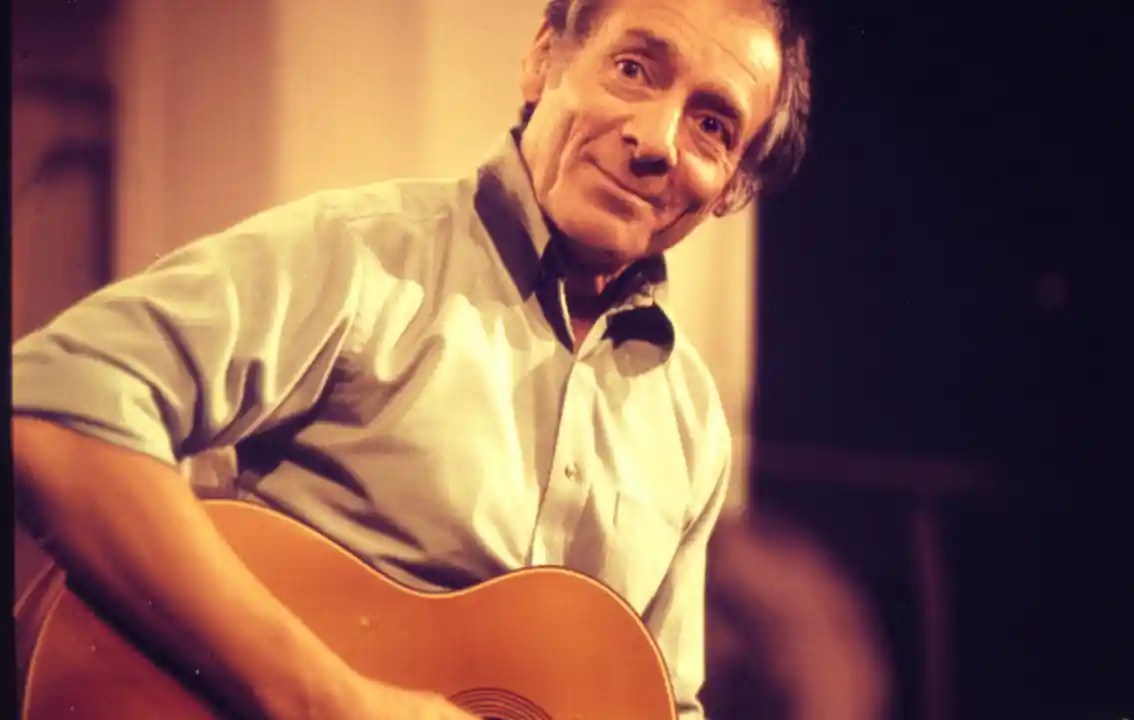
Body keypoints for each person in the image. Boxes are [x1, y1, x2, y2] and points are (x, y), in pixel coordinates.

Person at [11, 0, 811, 717]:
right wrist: (323, 698)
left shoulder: (694, 423)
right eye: (634, 70)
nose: (658, 141)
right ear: (543, 60)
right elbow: (49, 409)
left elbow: (657, 700)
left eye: (713, 125)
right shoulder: (358, 258)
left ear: (730, 189)